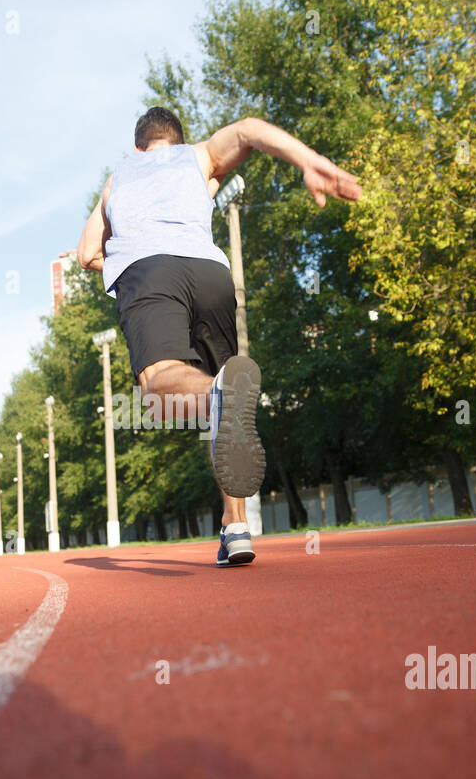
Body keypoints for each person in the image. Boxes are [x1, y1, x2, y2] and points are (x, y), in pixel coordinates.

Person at [76, 107, 361, 566]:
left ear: (137, 147)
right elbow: (248, 130)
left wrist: (121, 258)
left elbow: (88, 251)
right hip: (211, 274)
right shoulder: (199, 157)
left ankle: (218, 391)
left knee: (161, 387)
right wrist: (308, 159)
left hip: (150, 272)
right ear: (178, 139)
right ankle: (236, 528)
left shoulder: (119, 178)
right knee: (222, 418)